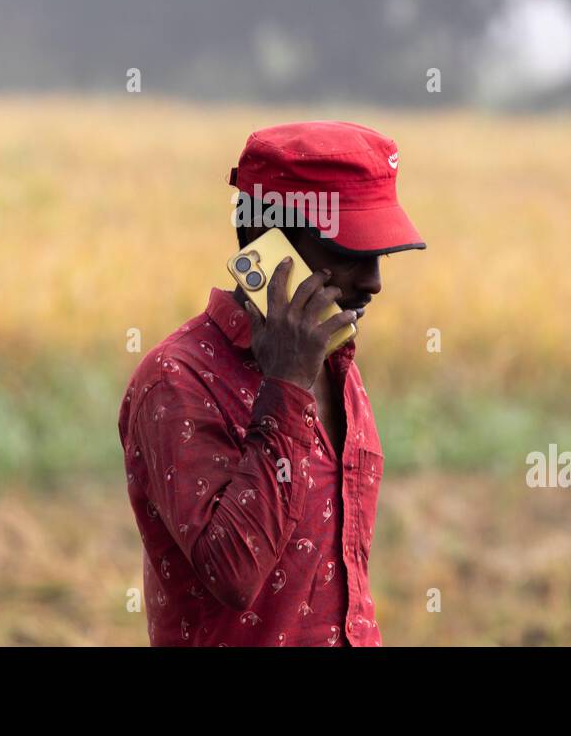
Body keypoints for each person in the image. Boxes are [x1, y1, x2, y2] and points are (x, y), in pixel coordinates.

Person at [118, 121, 425, 645]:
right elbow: (233, 573)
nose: (374, 282)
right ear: (271, 244)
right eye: (352, 255)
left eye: (381, 256)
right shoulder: (177, 379)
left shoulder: (335, 365)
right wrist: (287, 385)